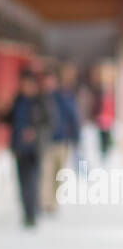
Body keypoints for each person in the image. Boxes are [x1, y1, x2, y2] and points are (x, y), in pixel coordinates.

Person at [3, 68, 55, 227]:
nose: (25, 87)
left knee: (33, 180)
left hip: (35, 148)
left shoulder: (41, 101)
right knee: (22, 181)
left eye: (27, 84)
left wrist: (35, 133)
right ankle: (27, 212)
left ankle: (33, 212)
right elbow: (9, 119)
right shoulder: (18, 100)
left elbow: (50, 123)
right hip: (20, 147)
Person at [40, 65, 76, 215]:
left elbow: (72, 116)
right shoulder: (40, 98)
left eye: (51, 81)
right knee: (46, 173)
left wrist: (76, 136)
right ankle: (46, 202)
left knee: (58, 173)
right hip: (46, 142)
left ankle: (54, 201)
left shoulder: (62, 97)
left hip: (62, 141)